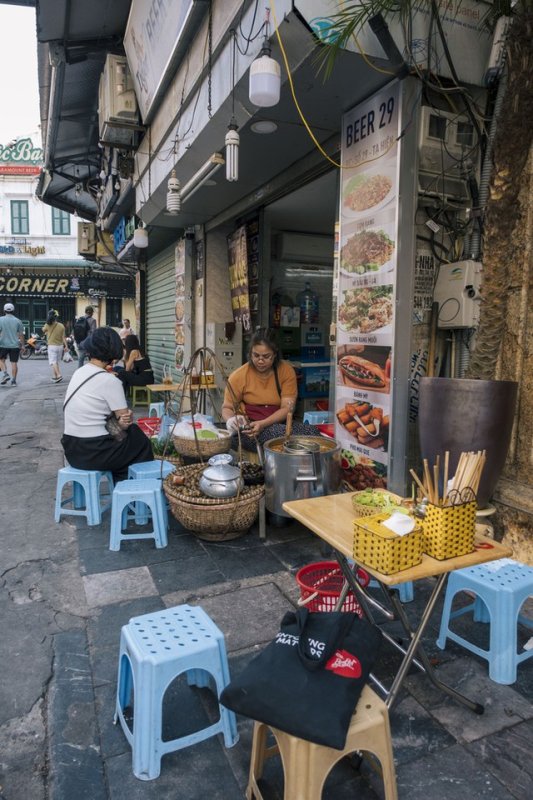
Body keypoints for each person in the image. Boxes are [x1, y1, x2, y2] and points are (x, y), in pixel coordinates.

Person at [61, 327, 153, 482]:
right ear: (114, 351)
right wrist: (127, 418)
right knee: (138, 438)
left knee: (123, 440)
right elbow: (125, 422)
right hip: (94, 452)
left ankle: (122, 486)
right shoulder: (110, 381)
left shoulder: (80, 372)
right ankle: (133, 491)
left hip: (72, 450)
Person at [221, 328, 320, 451]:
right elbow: (227, 408)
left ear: (275, 354)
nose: (260, 361)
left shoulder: (286, 371)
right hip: (250, 430)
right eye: (256, 355)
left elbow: (287, 408)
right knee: (277, 434)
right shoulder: (239, 376)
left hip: (278, 424)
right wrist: (231, 420)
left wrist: (263, 424)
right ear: (250, 353)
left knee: (313, 432)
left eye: (266, 356)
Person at [0, 302, 25, 387]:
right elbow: (21, 334)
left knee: (1, 360)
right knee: (14, 363)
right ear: (13, 310)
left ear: (4, 310)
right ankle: (13, 381)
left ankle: (5, 374)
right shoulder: (18, 321)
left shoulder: (0, 320)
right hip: (15, 345)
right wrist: (23, 345)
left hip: (3, 344)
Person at [42, 309, 68, 383]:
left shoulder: (48, 324)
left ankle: (59, 375)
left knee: (53, 362)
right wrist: (66, 346)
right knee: (55, 362)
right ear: (56, 317)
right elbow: (63, 337)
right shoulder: (61, 326)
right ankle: (55, 376)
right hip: (60, 346)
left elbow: (43, 330)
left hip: (52, 346)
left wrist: (46, 327)